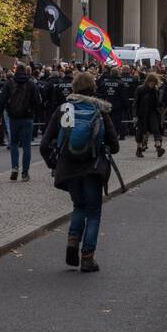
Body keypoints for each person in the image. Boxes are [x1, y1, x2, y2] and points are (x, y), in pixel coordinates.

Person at [40, 71, 119, 273]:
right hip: (92, 167)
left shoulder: (64, 109)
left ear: (73, 88)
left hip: (69, 166)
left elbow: (45, 143)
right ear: (93, 88)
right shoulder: (99, 109)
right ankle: (87, 258)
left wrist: (53, 164)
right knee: (93, 212)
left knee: (78, 207)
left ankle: (72, 242)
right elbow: (114, 144)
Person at [0, 63, 41, 181]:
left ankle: (14, 167)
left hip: (13, 117)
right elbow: (37, 101)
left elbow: (1, 100)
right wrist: (35, 113)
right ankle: (25, 173)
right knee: (27, 146)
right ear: (26, 72)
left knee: (14, 143)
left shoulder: (9, 83)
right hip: (27, 117)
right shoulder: (31, 84)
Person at [133, 72, 166, 158]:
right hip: (142, 113)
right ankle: (139, 149)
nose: (153, 84)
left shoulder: (155, 90)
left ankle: (158, 147)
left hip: (152, 112)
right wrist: (135, 115)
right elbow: (135, 103)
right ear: (148, 81)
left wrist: (161, 105)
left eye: (154, 83)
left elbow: (157, 102)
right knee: (140, 132)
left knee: (156, 130)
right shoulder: (140, 89)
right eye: (151, 82)